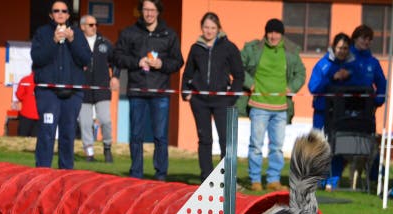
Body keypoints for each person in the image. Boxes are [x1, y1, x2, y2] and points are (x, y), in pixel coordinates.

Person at [114, 0, 184, 180]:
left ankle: (161, 174)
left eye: (152, 10)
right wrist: (137, 62)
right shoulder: (130, 32)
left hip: (160, 92)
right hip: (136, 90)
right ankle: (135, 173)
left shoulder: (169, 34)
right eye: (146, 9)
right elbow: (118, 57)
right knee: (136, 135)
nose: (149, 13)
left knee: (160, 136)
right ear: (141, 11)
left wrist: (162, 64)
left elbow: (178, 61)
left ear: (158, 12)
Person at [237, 18, 306, 191]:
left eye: (277, 33)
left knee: (277, 147)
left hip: (281, 108)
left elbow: (301, 73)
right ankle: (255, 180)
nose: (273, 36)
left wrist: (292, 87)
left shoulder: (290, 51)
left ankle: (273, 179)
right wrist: (249, 83)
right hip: (258, 104)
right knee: (256, 146)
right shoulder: (254, 49)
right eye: (270, 32)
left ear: (282, 34)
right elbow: (238, 65)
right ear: (265, 33)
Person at [323, 24, 387, 191]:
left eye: (369, 39)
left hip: (365, 112)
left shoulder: (373, 63)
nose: (366, 41)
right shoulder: (344, 57)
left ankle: (372, 180)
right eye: (363, 38)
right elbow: (330, 76)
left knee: (368, 147)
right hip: (342, 110)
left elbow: (382, 84)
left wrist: (377, 101)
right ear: (355, 39)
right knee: (339, 145)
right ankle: (332, 180)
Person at [181, 12, 244, 181]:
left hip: (222, 100)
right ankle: (206, 178)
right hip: (199, 100)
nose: (209, 31)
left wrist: (231, 97)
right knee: (204, 139)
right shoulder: (195, 48)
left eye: (212, 28)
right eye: (206, 27)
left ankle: (227, 179)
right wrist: (186, 92)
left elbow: (239, 75)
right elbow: (187, 73)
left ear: (219, 29)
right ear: (202, 28)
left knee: (225, 140)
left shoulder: (229, 47)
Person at [30, 0, 91, 169]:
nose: (60, 14)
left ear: (68, 15)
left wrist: (72, 40)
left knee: (68, 133)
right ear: (51, 14)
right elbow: (38, 58)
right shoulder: (42, 33)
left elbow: (85, 59)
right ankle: (42, 170)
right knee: (47, 132)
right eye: (56, 11)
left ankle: (66, 172)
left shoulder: (77, 34)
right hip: (48, 92)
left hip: (72, 93)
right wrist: (54, 41)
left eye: (64, 11)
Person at [78, 15, 119, 163]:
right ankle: (89, 153)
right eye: (90, 25)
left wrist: (115, 76)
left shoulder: (106, 43)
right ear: (82, 27)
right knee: (85, 123)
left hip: (102, 88)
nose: (94, 27)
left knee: (105, 120)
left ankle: (107, 148)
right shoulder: (76, 42)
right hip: (83, 89)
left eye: (96, 24)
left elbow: (116, 62)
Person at [308, 33, 354, 130]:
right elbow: (313, 87)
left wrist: (349, 77)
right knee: (318, 142)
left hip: (344, 112)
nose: (342, 51)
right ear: (333, 47)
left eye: (345, 48)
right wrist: (331, 78)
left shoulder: (352, 65)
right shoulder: (323, 64)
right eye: (339, 48)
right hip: (322, 111)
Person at [14, 72, 39, 137]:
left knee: (22, 137)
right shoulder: (45, 81)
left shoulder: (25, 79)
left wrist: (27, 97)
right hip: (39, 114)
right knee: (35, 139)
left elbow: (19, 95)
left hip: (26, 112)